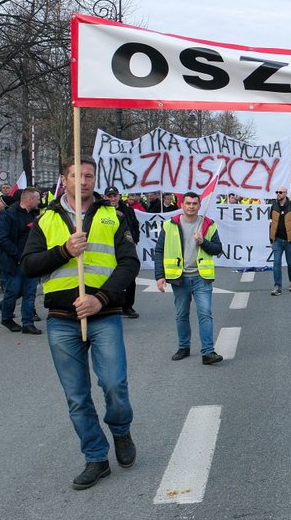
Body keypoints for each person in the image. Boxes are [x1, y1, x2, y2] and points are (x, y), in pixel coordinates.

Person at [20, 156, 141, 491]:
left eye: (89, 176)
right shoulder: (47, 219)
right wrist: (63, 251)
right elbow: (28, 266)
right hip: (61, 320)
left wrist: (100, 298)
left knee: (114, 384)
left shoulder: (112, 215)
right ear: (65, 179)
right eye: (76, 175)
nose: (83, 181)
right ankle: (95, 457)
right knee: (76, 395)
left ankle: (120, 430)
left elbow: (130, 263)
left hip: (103, 315)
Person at [154, 192, 225, 364]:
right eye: (188, 203)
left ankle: (208, 352)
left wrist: (203, 242)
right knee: (181, 315)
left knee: (205, 314)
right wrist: (159, 276)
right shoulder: (170, 225)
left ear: (200, 206)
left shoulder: (208, 225)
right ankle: (183, 347)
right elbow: (159, 251)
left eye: (194, 203)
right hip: (180, 278)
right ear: (182, 205)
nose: (191, 206)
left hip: (201, 277)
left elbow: (217, 249)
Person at [0, 187, 42, 335]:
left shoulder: (34, 214)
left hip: (30, 261)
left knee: (30, 292)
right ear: (29, 199)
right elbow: (1, 239)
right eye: (37, 198)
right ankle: (6, 318)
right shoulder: (8, 215)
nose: (40, 201)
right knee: (12, 292)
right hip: (12, 262)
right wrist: (19, 256)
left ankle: (28, 323)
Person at [104, 188, 141, 318]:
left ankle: (128, 306)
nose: (112, 199)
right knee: (110, 277)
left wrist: (135, 239)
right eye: (110, 196)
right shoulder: (101, 212)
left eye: (115, 196)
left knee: (130, 277)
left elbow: (135, 225)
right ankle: (112, 305)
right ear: (105, 197)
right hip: (109, 249)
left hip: (126, 248)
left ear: (119, 197)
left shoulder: (128, 210)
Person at [268, 187, 291, 295]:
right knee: (276, 263)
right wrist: (271, 240)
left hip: (290, 240)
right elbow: (272, 224)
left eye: (280, 192)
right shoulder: (274, 206)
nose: (278, 194)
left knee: (290, 263)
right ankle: (277, 286)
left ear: (286, 194)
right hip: (277, 240)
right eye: (277, 192)